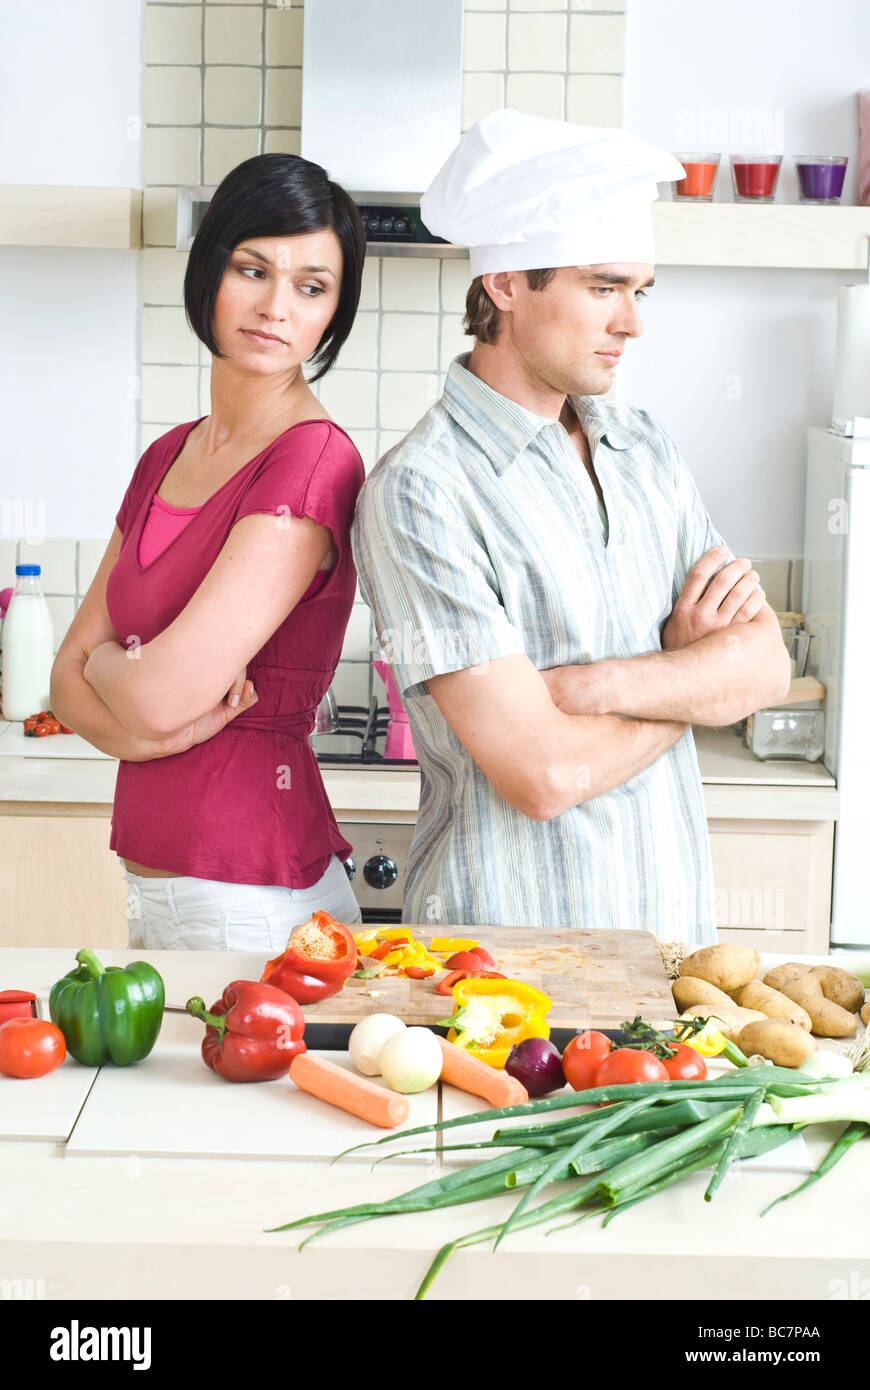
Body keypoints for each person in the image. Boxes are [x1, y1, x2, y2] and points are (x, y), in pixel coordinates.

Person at [351, 111, 791, 946]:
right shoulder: (422, 491)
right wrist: (693, 684)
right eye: (603, 288)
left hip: (671, 950)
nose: (632, 323)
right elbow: (544, 774)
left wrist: (601, 686)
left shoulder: (642, 444)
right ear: (507, 284)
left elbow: (763, 665)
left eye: (640, 291)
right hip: (511, 970)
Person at [50, 153, 368, 949]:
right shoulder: (165, 456)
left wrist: (116, 679)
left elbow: (143, 690)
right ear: (209, 271)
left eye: (311, 286)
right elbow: (64, 679)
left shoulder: (311, 461)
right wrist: (153, 726)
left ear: (334, 310)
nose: (274, 307)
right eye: (252, 269)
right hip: (154, 879)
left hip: (251, 895)